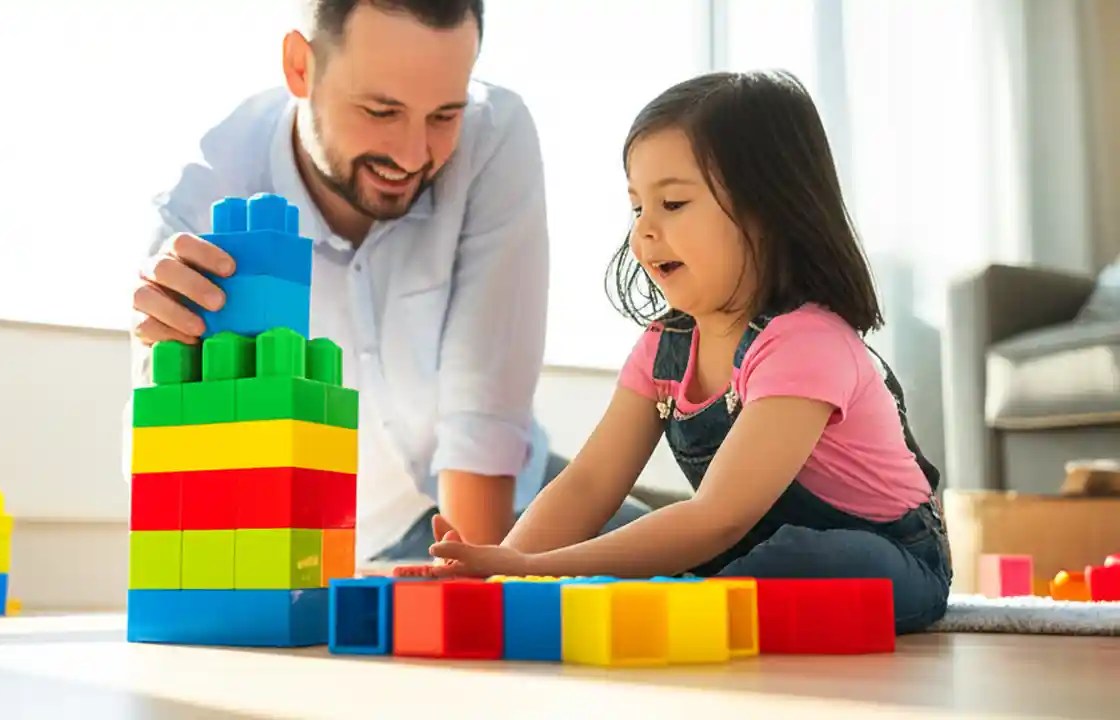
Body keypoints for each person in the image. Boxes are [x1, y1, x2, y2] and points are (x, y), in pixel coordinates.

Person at [427, 70, 954, 634]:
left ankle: (684, 602)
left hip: (890, 558)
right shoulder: (665, 346)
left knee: (804, 561)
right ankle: (690, 600)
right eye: (636, 208)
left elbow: (716, 518)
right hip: (742, 548)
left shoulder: (807, 342)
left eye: (673, 203)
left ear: (768, 210)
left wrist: (540, 569)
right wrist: (507, 574)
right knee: (634, 541)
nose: (644, 232)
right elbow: (590, 482)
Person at [129, 0, 649, 563]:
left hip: (506, 505)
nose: (412, 155)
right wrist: (165, 353)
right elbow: (182, 469)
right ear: (301, 68)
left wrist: (471, 591)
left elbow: (483, 413)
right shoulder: (206, 205)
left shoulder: (493, 135)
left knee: (702, 568)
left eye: (444, 116)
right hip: (333, 541)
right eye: (381, 111)